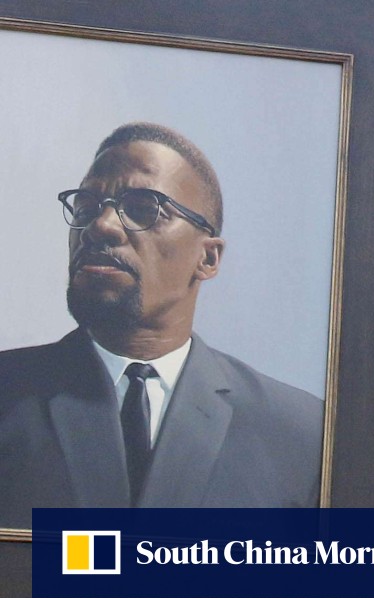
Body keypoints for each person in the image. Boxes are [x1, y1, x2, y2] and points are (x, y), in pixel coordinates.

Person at [0, 123, 323, 527]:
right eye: (86, 207)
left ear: (208, 258)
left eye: (142, 208)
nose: (100, 226)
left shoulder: (302, 434)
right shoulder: (9, 394)